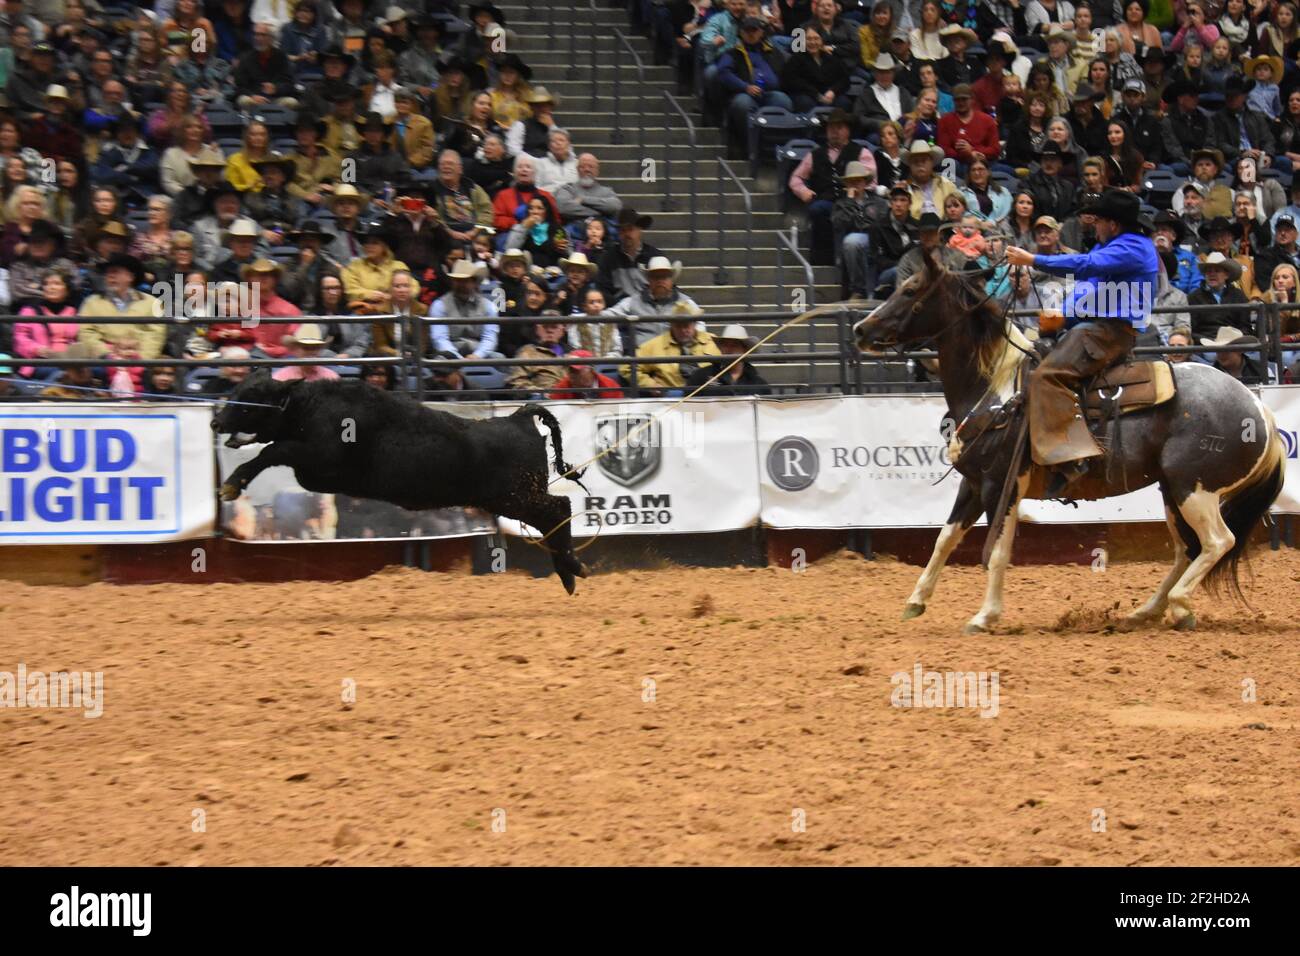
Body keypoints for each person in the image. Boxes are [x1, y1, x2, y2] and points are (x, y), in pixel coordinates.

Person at [1005, 188, 1158, 496]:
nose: (1094, 226)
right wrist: (1061, 317)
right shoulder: (1119, 249)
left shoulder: (1131, 247)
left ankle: (1072, 459)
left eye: (1098, 220)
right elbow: (1089, 292)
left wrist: (1033, 259)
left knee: (1048, 376)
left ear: (1113, 224)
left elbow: (1085, 266)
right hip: (1094, 329)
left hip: (1108, 333)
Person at [621, 306, 721, 394]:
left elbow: (729, 366)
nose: (682, 330)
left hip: (708, 395)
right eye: (678, 326)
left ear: (694, 324)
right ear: (671, 326)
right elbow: (627, 367)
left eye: (686, 326)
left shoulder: (712, 340)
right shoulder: (655, 345)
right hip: (671, 397)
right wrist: (650, 384)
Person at [684, 324, 771, 395]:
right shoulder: (701, 376)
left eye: (735, 345)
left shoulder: (759, 384)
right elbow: (688, 410)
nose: (729, 349)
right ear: (720, 348)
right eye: (725, 344)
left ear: (745, 350)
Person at [1187, 251, 1251, 340]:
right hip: (1204, 345)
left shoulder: (1238, 295)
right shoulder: (1193, 297)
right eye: (1209, 271)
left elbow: (1245, 326)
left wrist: (1235, 340)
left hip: (1234, 344)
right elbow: (1192, 330)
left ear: (1226, 275)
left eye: (1217, 271)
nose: (1212, 274)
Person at [273, 323, 340, 382]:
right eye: (306, 348)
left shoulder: (331, 377)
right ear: (295, 350)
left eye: (314, 348)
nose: (311, 352)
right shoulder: (280, 377)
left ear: (319, 351)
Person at [549, 349, 624, 399]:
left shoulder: (610, 386)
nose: (571, 375)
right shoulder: (562, 387)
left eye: (576, 370)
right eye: (570, 370)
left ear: (590, 369)